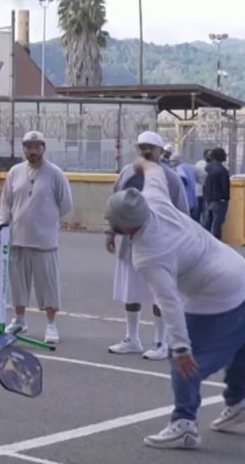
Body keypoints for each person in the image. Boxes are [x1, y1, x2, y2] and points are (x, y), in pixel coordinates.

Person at [105, 157, 245, 450]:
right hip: (242, 274)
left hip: (215, 294)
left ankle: (184, 424)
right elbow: (153, 172)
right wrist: (143, 161)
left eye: (111, 222)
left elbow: (169, 303)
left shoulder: (148, 255)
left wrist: (180, 347)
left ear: (126, 228)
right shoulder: (152, 201)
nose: (109, 224)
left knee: (185, 364)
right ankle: (239, 400)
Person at [105, 131, 191, 361]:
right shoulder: (127, 173)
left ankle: (161, 342)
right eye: (142, 146)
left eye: (150, 147)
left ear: (160, 152)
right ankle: (132, 339)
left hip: (159, 247)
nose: (146, 151)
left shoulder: (170, 178)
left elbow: (182, 211)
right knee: (130, 291)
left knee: (159, 293)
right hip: (130, 244)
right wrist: (110, 232)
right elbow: (115, 204)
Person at [0, 130, 73, 345]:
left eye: (37, 146)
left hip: (44, 241)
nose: (33, 151)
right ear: (24, 149)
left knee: (48, 285)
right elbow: (6, 201)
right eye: (29, 147)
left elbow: (66, 203)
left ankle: (50, 324)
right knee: (18, 283)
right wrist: (3, 223)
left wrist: (46, 219)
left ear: (43, 148)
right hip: (17, 238)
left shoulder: (55, 173)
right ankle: (20, 320)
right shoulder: (15, 171)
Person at [201, 147, 230, 240]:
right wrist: (225, 198)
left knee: (206, 223)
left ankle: (205, 242)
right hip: (219, 200)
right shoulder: (222, 170)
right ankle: (215, 243)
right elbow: (225, 187)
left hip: (208, 199)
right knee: (217, 225)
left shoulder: (207, 168)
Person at [172, 155, 200, 223]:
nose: (171, 163)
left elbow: (183, 179)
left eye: (172, 161)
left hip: (185, 199)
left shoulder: (179, 168)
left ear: (177, 161)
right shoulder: (189, 167)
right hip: (192, 199)